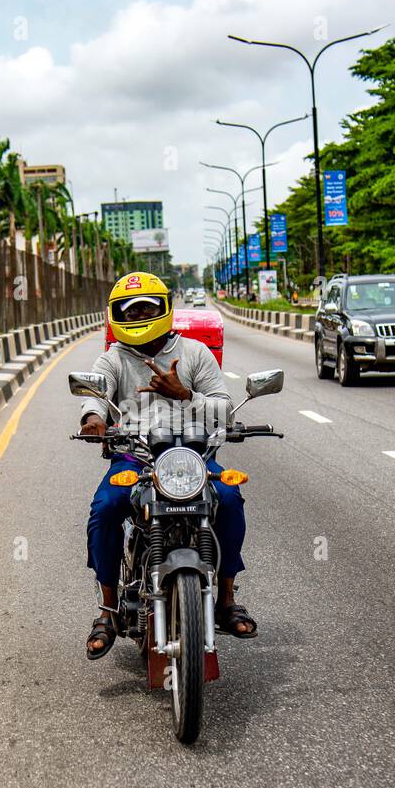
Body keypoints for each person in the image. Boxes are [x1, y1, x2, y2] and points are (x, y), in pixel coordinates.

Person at [79, 271, 257, 659]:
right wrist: (93, 420)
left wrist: (185, 394)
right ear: (116, 315)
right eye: (131, 309)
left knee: (229, 499)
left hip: (193, 456)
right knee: (106, 508)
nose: (139, 314)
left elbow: (224, 408)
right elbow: (95, 393)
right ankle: (107, 610)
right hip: (135, 455)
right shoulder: (113, 359)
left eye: (146, 307)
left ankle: (226, 600)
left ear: (164, 308)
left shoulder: (194, 353)